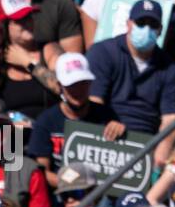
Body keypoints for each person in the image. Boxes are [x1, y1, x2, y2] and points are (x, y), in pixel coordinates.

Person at [86, 0, 175, 167]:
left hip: (146, 142)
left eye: (152, 24)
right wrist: (106, 122)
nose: (146, 29)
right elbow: (93, 101)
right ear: (128, 24)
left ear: (160, 30)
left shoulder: (170, 67)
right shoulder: (103, 52)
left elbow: (171, 117)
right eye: (140, 22)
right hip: (105, 135)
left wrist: (163, 147)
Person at [26, 53, 119, 190]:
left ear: (90, 84)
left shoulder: (106, 115)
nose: (78, 90)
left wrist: (120, 132)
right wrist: (73, 186)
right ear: (60, 86)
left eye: (83, 83)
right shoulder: (46, 121)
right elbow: (42, 172)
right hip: (61, 194)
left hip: (100, 193)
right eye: (72, 85)